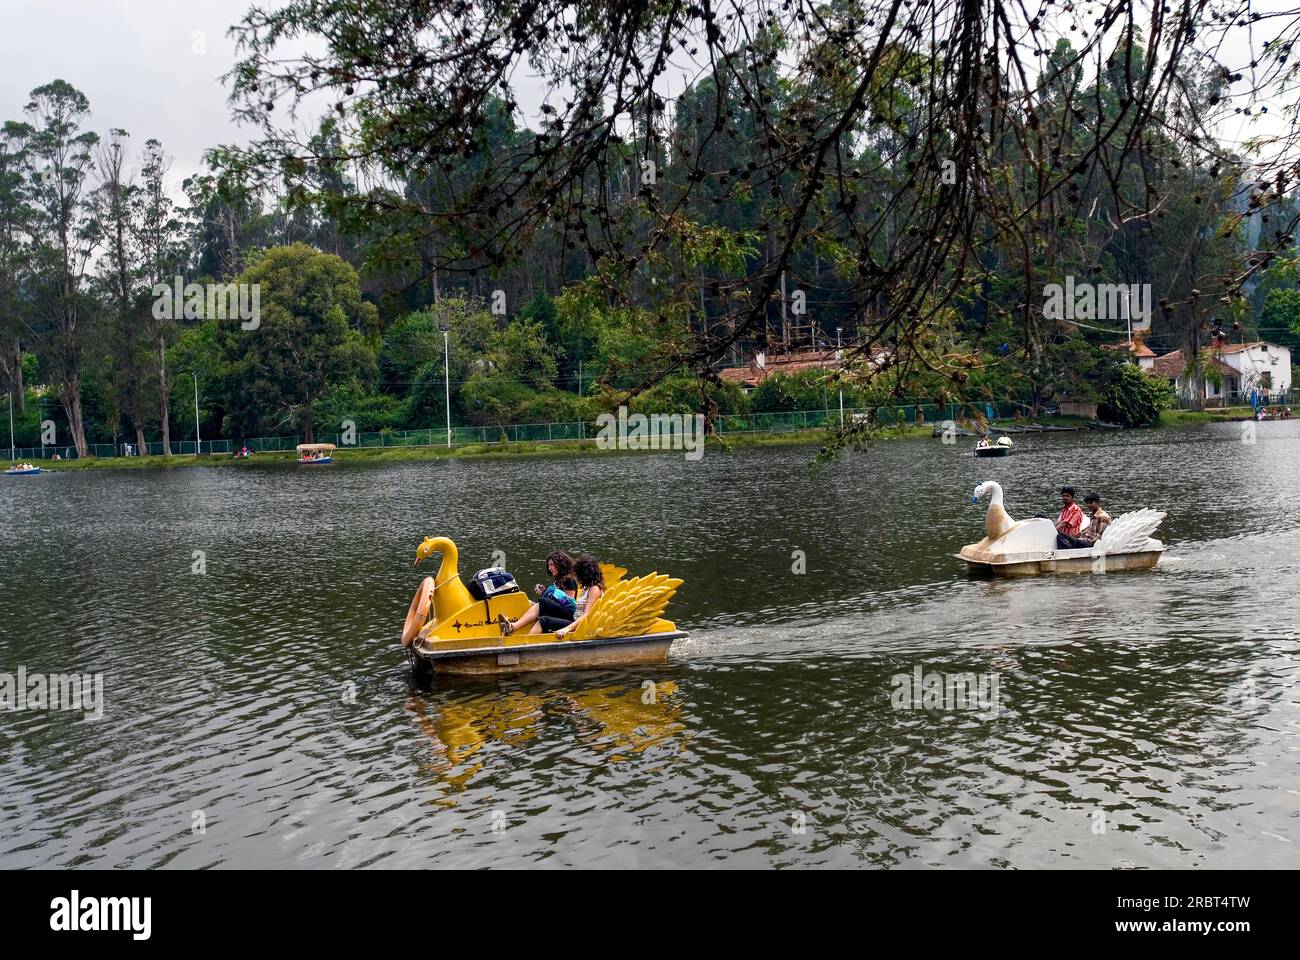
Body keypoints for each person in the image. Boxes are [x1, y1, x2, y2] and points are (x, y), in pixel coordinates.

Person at [499, 551, 578, 636]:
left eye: (551, 565)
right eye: (548, 565)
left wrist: (546, 595)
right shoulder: (559, 580)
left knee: (543, 604)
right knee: (529, 603)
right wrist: (544, 593)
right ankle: (513, 628)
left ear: (560, 564)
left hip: (569, 616)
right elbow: (558, 600)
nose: (549, 568)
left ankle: (513, 627)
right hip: (560, 612)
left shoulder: (569, 580)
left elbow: (569, 606)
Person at [555, 555, 606, 639]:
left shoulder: (594, 589)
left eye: (577, 573)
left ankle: (529, 642)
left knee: (545, 621)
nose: (576, 576)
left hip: (581, 626)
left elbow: (587, 614)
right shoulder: (586, 588)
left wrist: (566, 629)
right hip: (575, 620)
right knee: (547, 605)